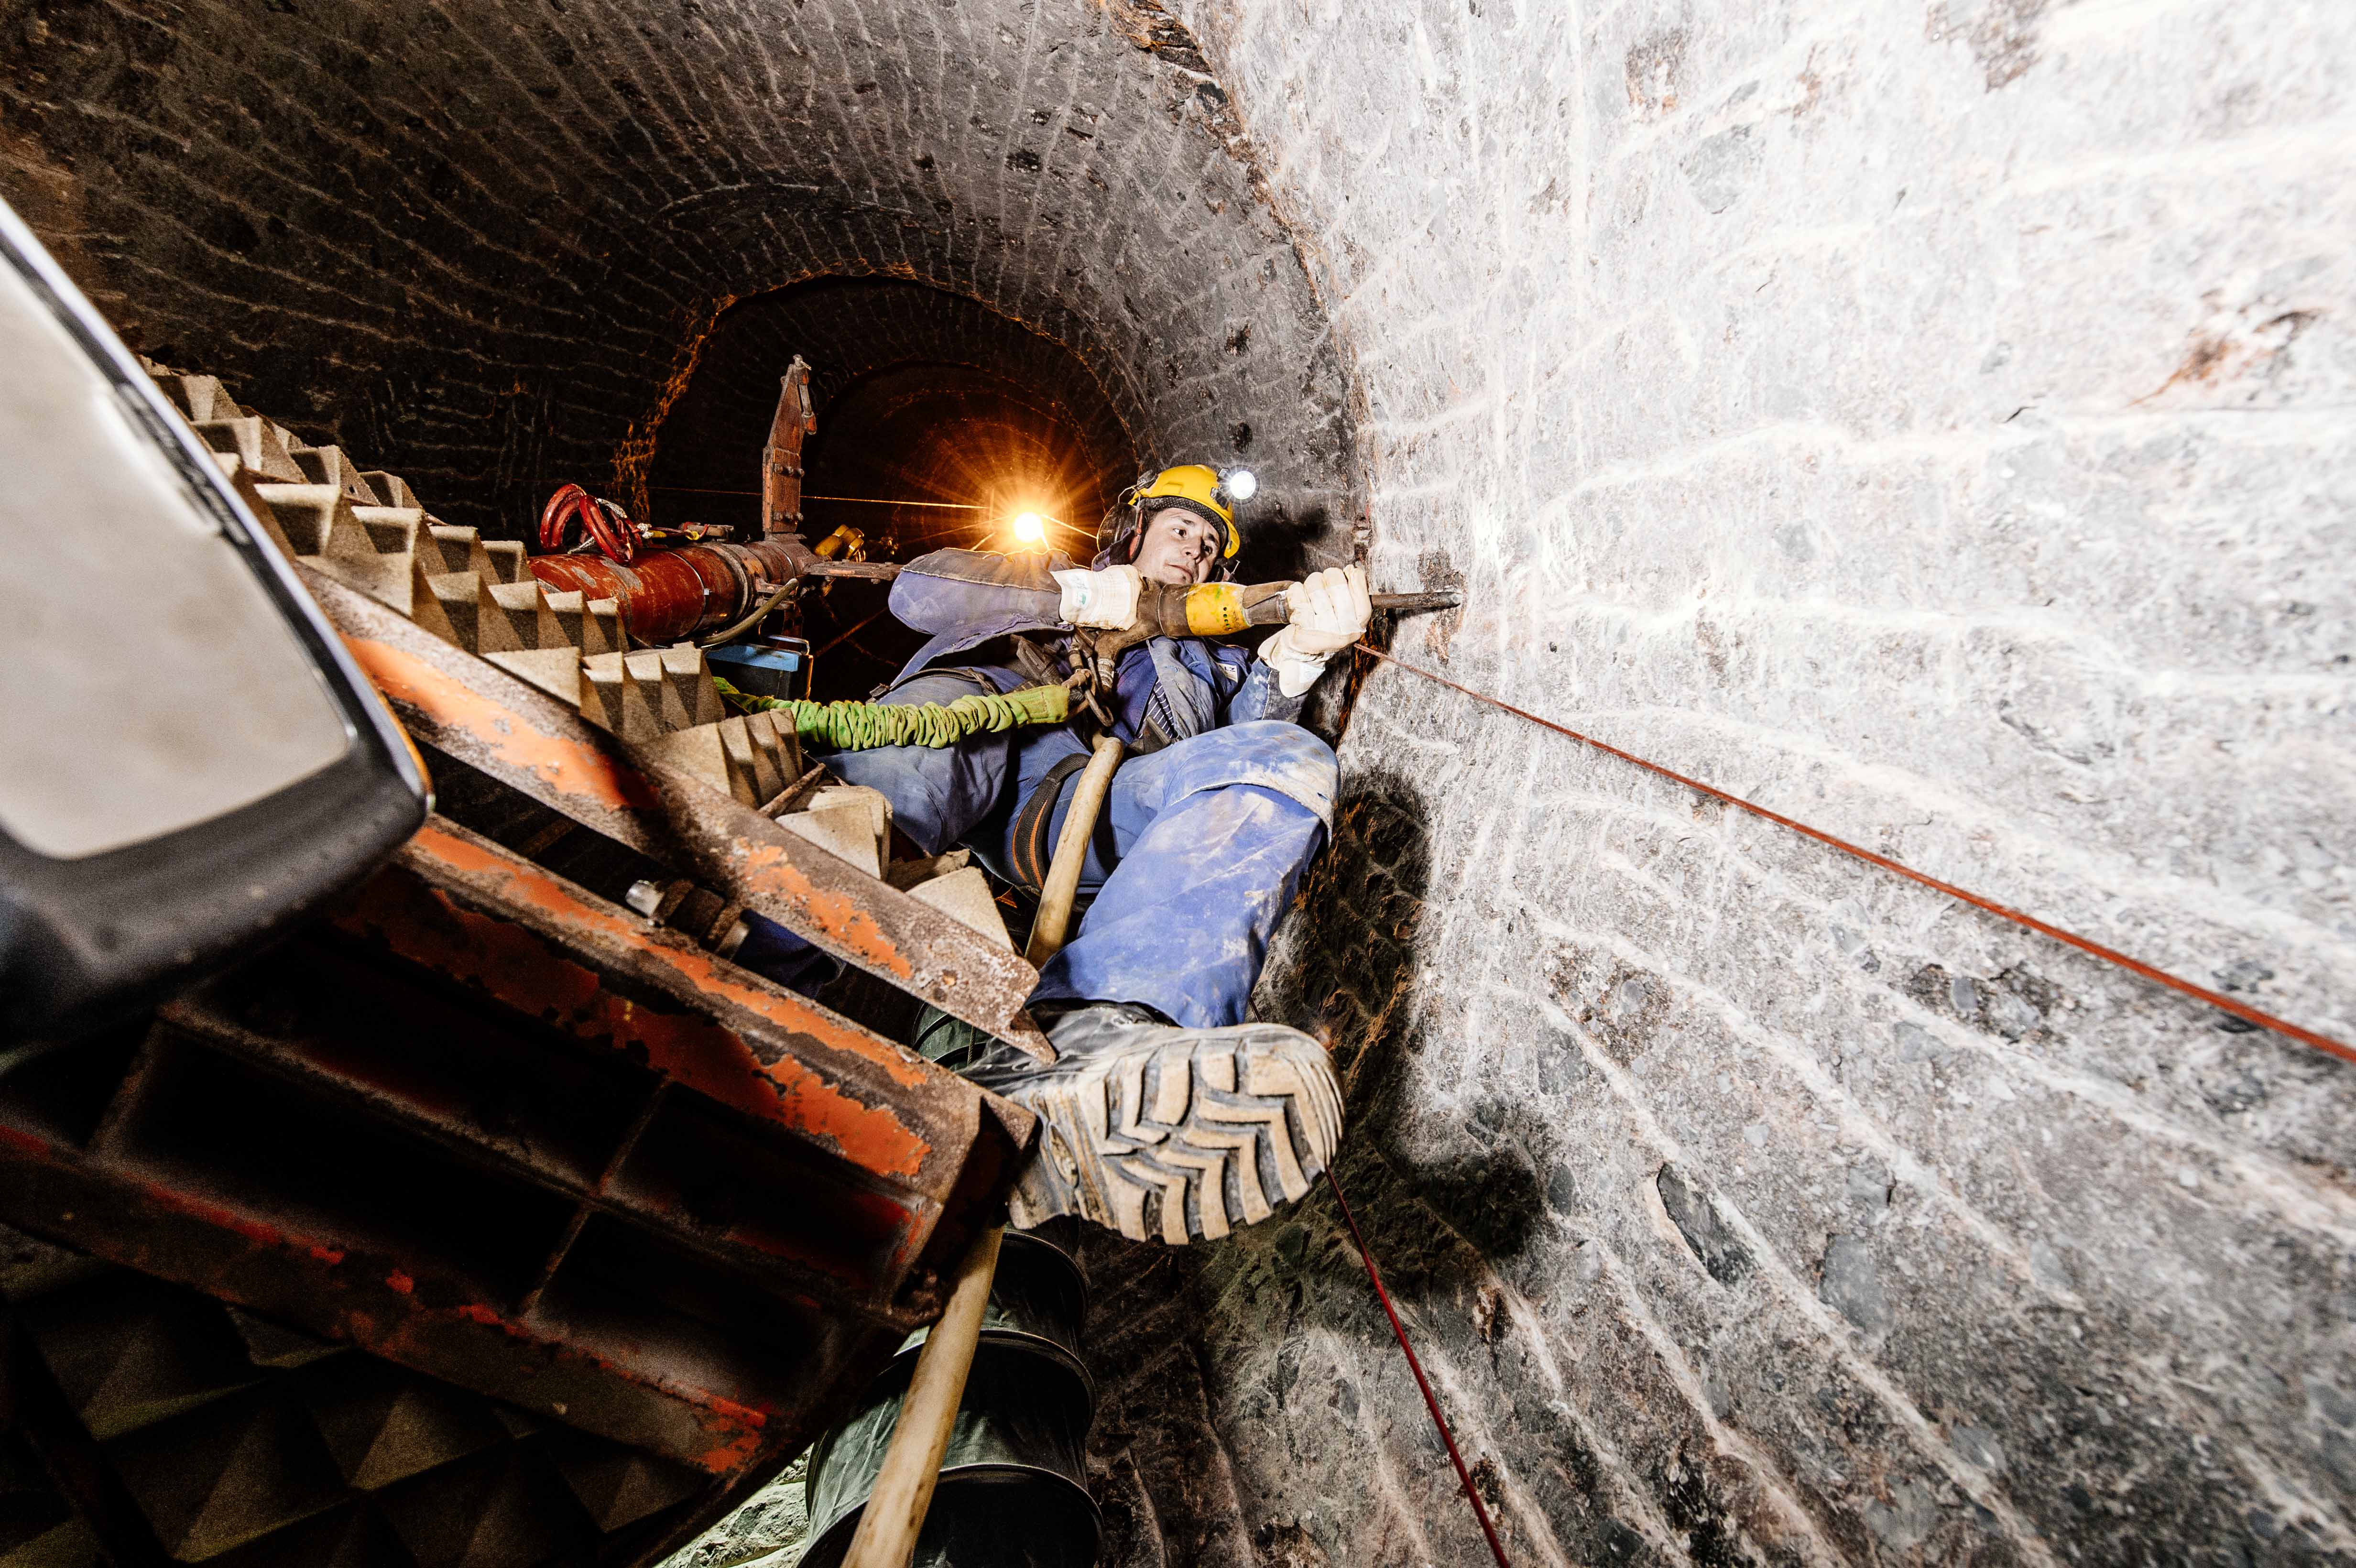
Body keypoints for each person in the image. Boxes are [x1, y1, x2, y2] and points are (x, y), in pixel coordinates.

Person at [801, 464, 1371, 1245]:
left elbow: (1245, 734)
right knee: (942, 724)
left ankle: (1105, 1038)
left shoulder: (1213, 659)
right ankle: (786, 927)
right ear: (1132, 531)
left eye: (1209, 547)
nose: (1195, 552)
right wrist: (1068, 596)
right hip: (980, 732)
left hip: (1090, 808)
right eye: (1181, 529)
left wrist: (1301, 652)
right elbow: (917, 594)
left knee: (1285, 761)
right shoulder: (1039, 579)